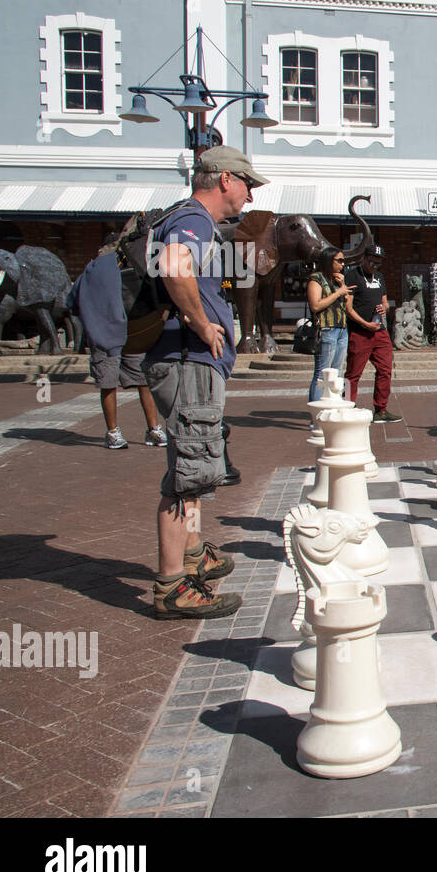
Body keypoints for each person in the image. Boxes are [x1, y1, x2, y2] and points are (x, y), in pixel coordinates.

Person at [144, 146, 265, 619]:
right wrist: (200, 322)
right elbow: (175, 266)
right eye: (247, 184)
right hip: (186, 359)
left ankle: (192, 554)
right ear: (224, 180)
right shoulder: (192, 220)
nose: (250, 195)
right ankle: (171, 584)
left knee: (196, 472)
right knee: (185, 475)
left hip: (191, 361)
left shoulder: (193, 220)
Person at [344, 244, 401, 423]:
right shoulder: (353, 275)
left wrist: (384, 309)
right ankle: (347, 408)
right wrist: (364, 323)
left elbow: (385, 302)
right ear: (363, 258)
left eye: (378, 263)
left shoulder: (380, 277)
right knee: (353, 373)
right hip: (360, 332)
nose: (374, 266)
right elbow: (348, 307)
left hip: (380, 331)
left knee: (385, 370)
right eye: (371, 262)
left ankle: (380, 410)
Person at [92, 343, 165, 450]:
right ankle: (112, 433)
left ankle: (153, 431)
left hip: (131, 335)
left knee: (144, 379)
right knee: (108, 382)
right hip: (105, 337)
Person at [306, 249, 353, 403]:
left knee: (337, 373)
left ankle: (333, 407)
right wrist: (339, 292)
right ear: (328, 260)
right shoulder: (316, 279)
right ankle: (317, 414)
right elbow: (315, 305)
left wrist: (343, 287)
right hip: (326, 329)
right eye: (339, 260)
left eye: (343, 260)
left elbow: (348, 306)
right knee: (322, 373)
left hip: (342, 329)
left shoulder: (338, 280)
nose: (342, 264)